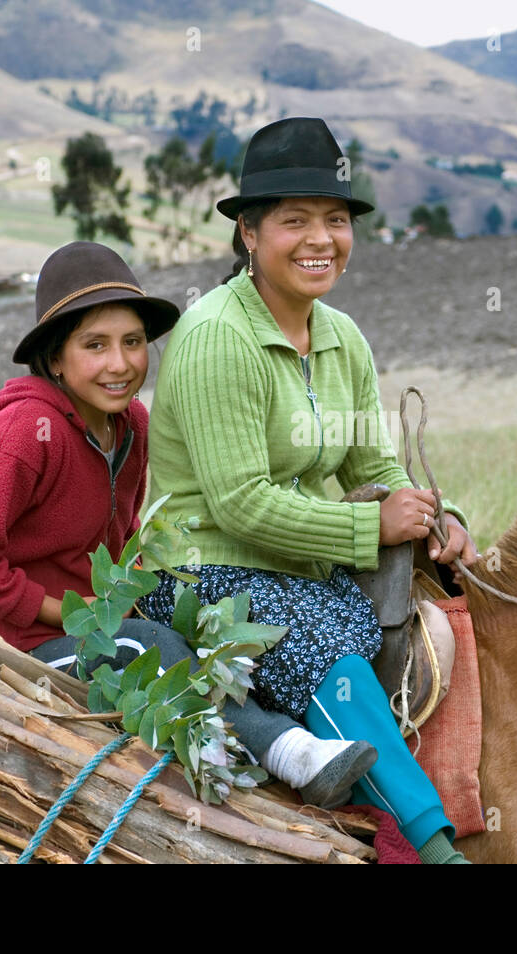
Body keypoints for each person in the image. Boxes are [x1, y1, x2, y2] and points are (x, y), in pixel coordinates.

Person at [0, 240, 377, 809]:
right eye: (95, 345)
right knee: (157, 644)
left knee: (210, 633)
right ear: (55, 359)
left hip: (100, 626)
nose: (120, 363)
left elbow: (123, 535)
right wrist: (68, 612)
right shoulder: (25, 435)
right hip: (26, 648)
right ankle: (290, 753)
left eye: (133, 342)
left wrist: (131, 592)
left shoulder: (129, 424)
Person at [136, 118, 479, 864]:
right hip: (197, 576)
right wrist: (368, 532)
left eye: (335, 220)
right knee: (329, 647)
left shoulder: (341, 337)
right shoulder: (215, 337)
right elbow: (240, 504)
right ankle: (432, 844)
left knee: (453, 617)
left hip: (295, 571)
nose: (320, 238)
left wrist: (429, 519)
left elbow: (371, 469)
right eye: (294, 221)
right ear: (250, 235)